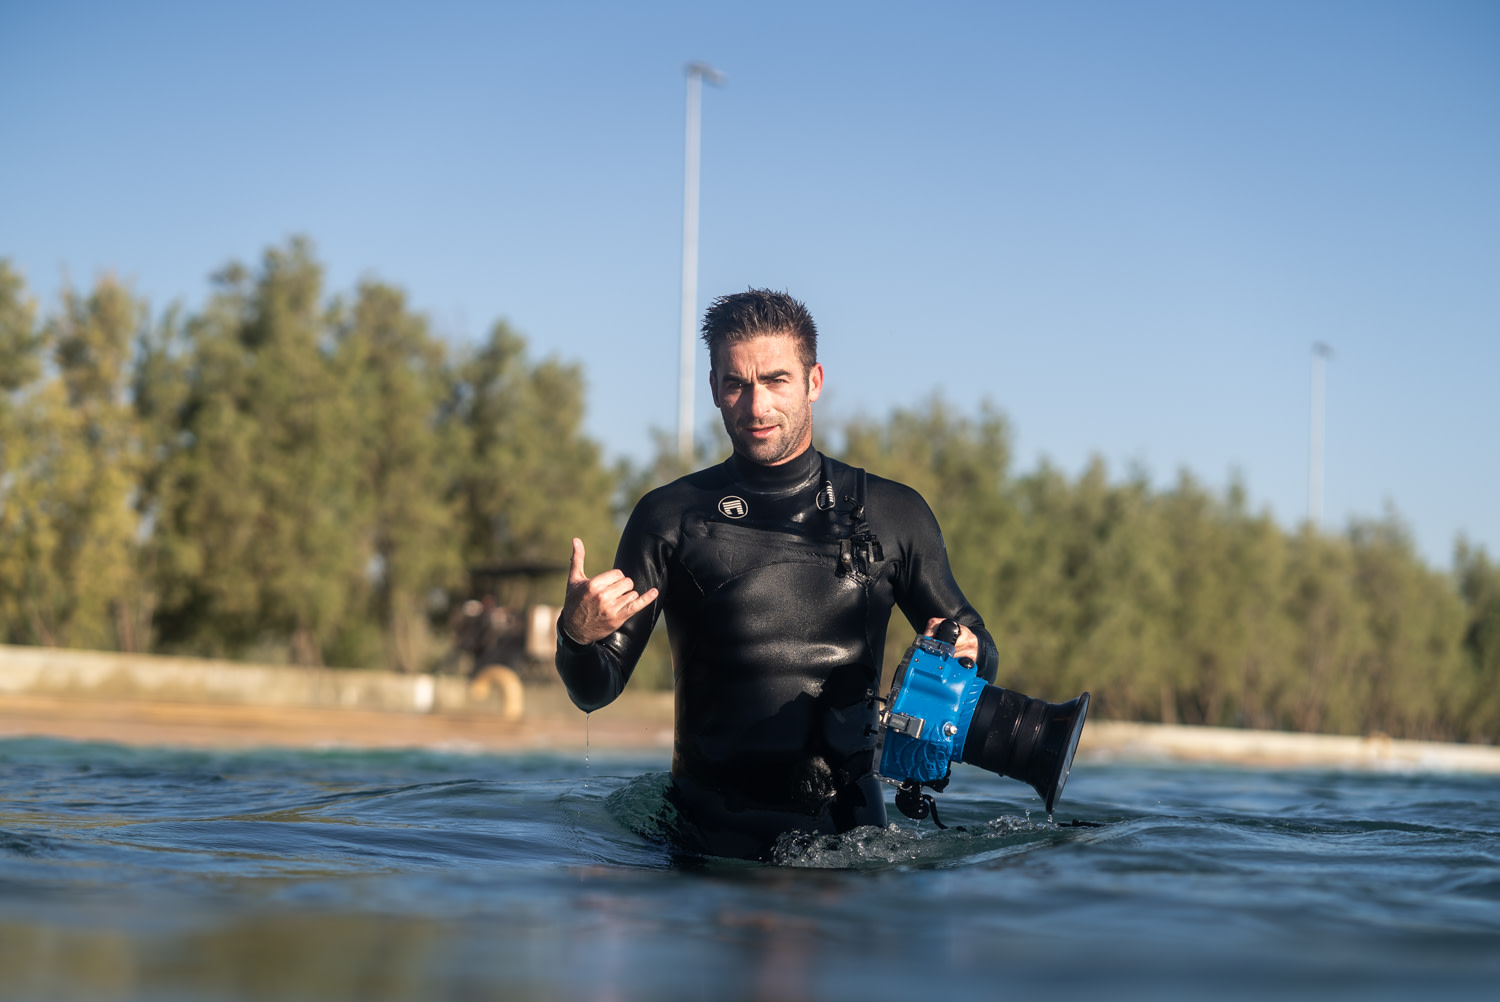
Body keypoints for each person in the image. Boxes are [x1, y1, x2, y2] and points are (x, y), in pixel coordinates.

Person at [556, 289, 997, 859]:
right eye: (736, 383)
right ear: (714, 387)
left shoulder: (893, 513)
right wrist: (577, 636)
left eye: (776, 380)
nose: (756, 406)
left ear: (814, 381)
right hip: (703, 846)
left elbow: (979, 651)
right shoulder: (669, 517)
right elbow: (595, 691)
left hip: (849, 845)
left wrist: (965, 653)